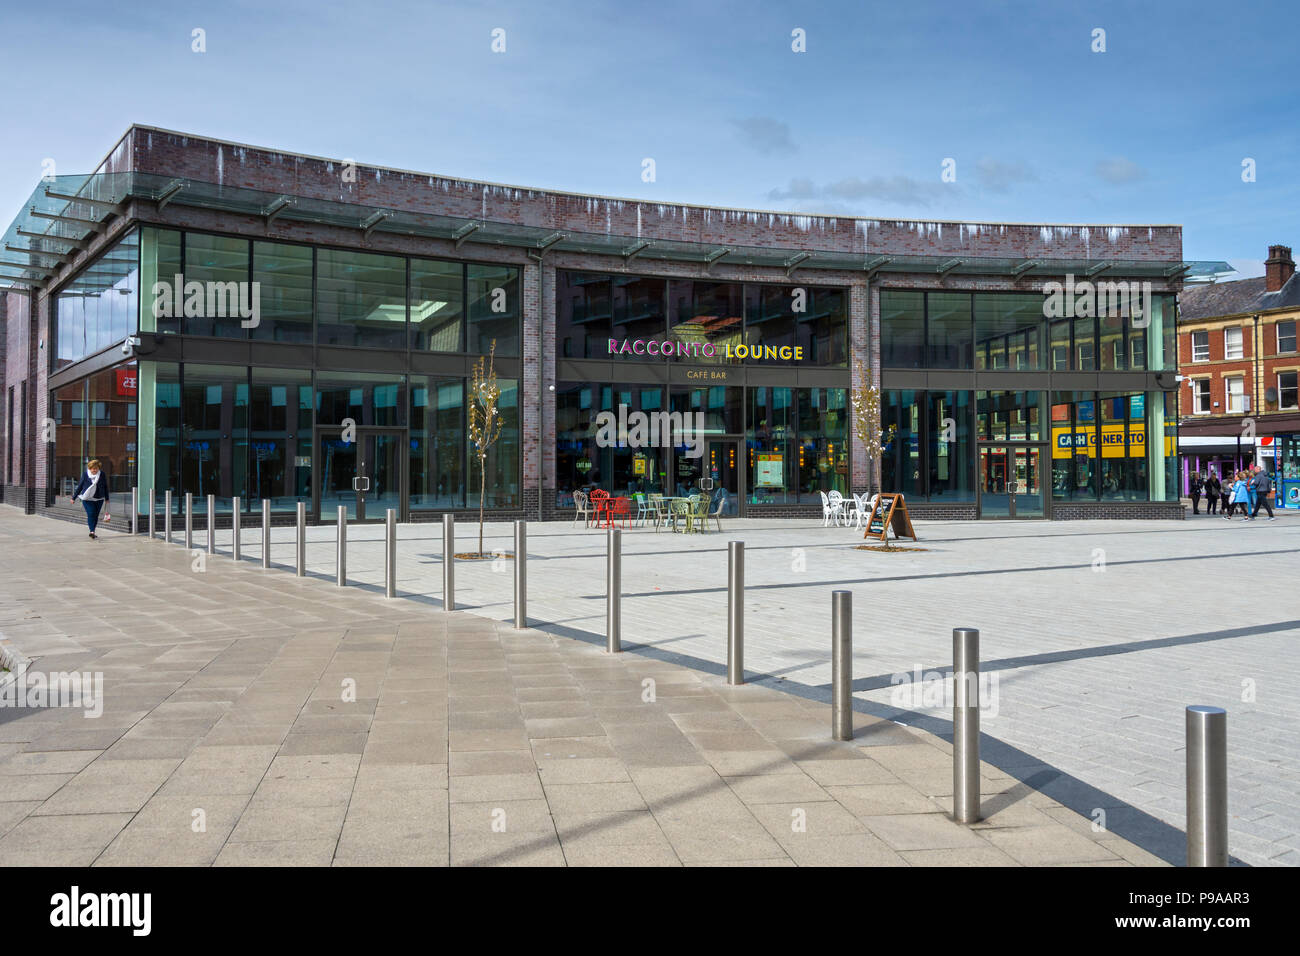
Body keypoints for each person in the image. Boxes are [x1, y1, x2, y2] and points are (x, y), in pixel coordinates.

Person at [71, 459, 111, 539]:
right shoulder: (86, 474)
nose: (94, 470)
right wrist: (74, 497)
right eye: (93, 468)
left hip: (99, 498)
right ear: (90, 468)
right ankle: (91, 531)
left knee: (95, 515)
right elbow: (80, 486)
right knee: (91, 513)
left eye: (96, 468)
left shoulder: (102, 474)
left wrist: (107, 497)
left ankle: (93, 531)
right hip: (87, 498)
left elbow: (105, 486)